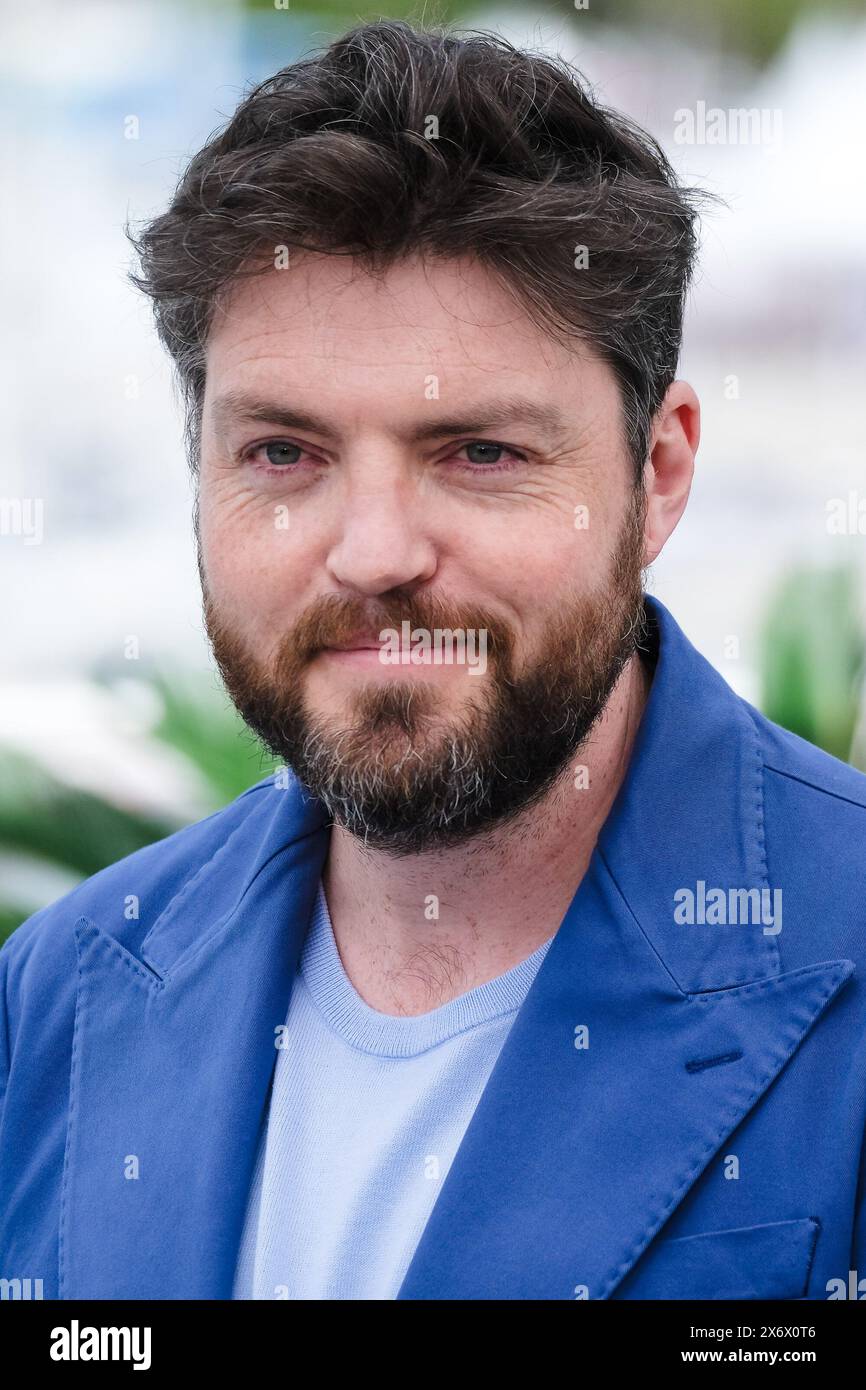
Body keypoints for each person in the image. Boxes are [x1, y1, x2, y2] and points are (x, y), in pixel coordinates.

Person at [2, 20, 865, 1303]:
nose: (374, 554)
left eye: (479, 453)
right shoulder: (56, 994)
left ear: (657, 472)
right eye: (283, 453)